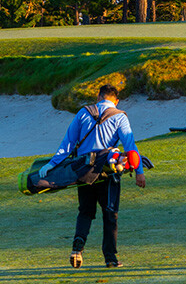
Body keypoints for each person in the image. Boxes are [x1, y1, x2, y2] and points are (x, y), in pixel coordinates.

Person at [38, 84, 146, 268]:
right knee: (110, 214)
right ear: (116, 100)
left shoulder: (83, 112)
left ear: (98, 97)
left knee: (85, 212)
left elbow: (69, 142)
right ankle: (110, 259)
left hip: (84, 170)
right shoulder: (119, 116)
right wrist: (139, 172)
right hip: (108, 171)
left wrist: (52, 164)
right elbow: (130, 146)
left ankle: (77, 248)